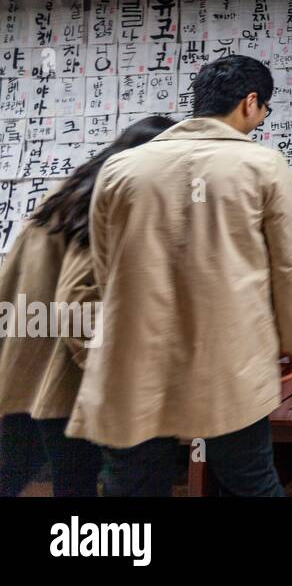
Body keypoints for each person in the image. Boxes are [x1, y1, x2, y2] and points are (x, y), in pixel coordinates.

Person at [66, 55, 292, 497]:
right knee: (250, 481)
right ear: (250, 103)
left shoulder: (121, 168)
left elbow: (105, 265)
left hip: (132, 357)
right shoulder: (263, 167)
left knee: (133, 486)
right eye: (265, 108)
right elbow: (287, 266)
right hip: (229, 358)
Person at [0, 115, 177, 497]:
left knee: (33, 472)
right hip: (66, 368)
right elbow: (78, 300)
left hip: (26, 355)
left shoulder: (71, 190)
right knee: (82, 476)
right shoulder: (110, 201)